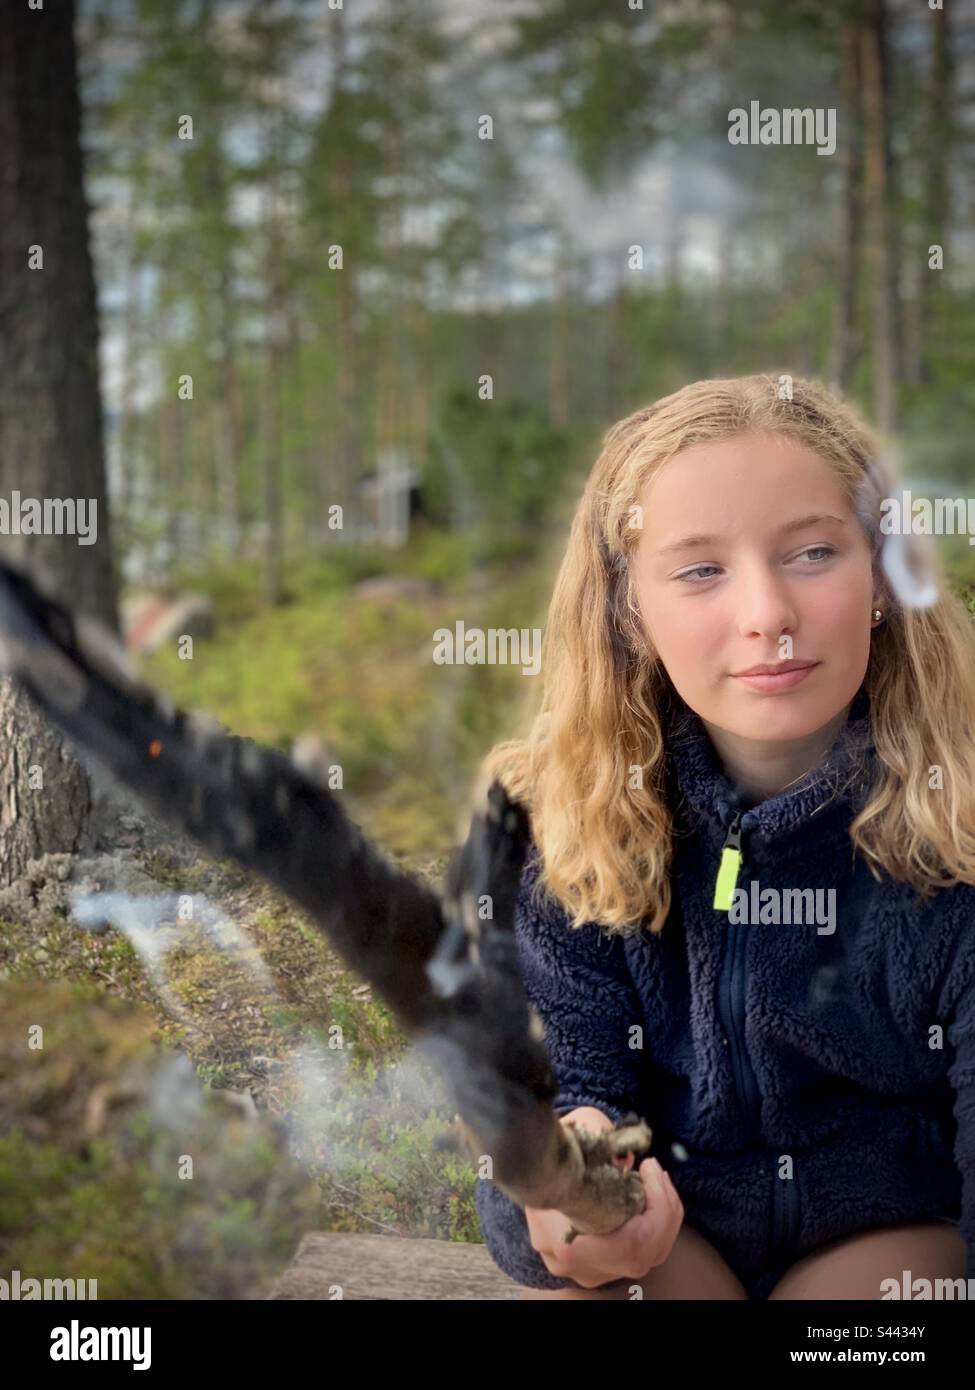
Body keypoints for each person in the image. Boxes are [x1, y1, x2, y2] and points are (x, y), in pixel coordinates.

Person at [474, 373, 975, 1300]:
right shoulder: (570, 823)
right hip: (674, 1231)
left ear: (881, 573)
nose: (767, 616)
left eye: (814, 552)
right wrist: (567, 1193)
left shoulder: (959, 827)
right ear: (630, 610)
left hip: (895, 1234)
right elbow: (559, 1082)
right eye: (701, 570)